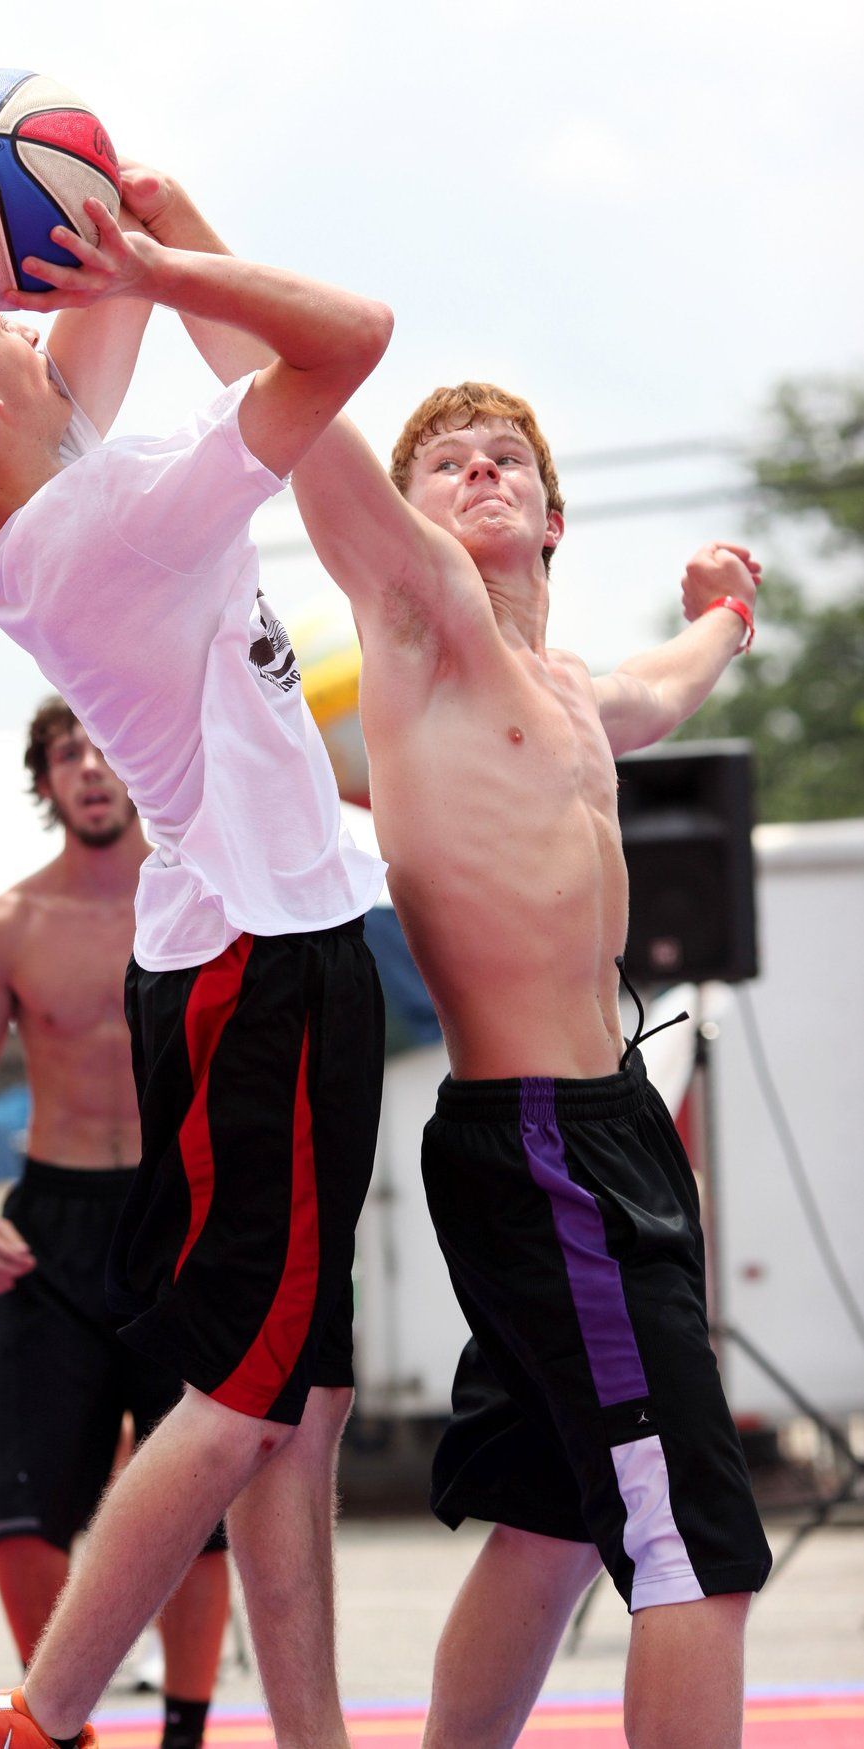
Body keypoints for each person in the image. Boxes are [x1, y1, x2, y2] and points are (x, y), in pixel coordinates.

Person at [0, 66, 391, 1749]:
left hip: (246, 935)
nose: (11, 319)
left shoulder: (9, 511)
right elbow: (349, 336)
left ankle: (314, 1734)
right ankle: (40, 1711)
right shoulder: (110, 523)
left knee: (305, 1394)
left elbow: (77, 329)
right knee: (236, 1396)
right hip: (259, 956)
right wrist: (142, 237)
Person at [284, 386, 774, 1746]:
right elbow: (305, 422)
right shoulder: (417, 621)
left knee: (557, 1520)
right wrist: (162, 247)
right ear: (408, 514)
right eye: (446, 465)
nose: (480, 472)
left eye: (507, 462)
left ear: (555, 521)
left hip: (599, 1123)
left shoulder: (564, 692)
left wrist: (726, 609)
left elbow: (662, 693)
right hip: (542, 1140)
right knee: (696, 1555)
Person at [0, 695, 229, 1749]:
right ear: (45, 781)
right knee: (18, 1522)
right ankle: (59, 1725)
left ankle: (186, 1730)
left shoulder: (204, 895)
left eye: (106, 745)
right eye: (67, 753)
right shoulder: (6, 925)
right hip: (49, 1227)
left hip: (177, 1218)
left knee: (196, 1505)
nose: (92, 767)